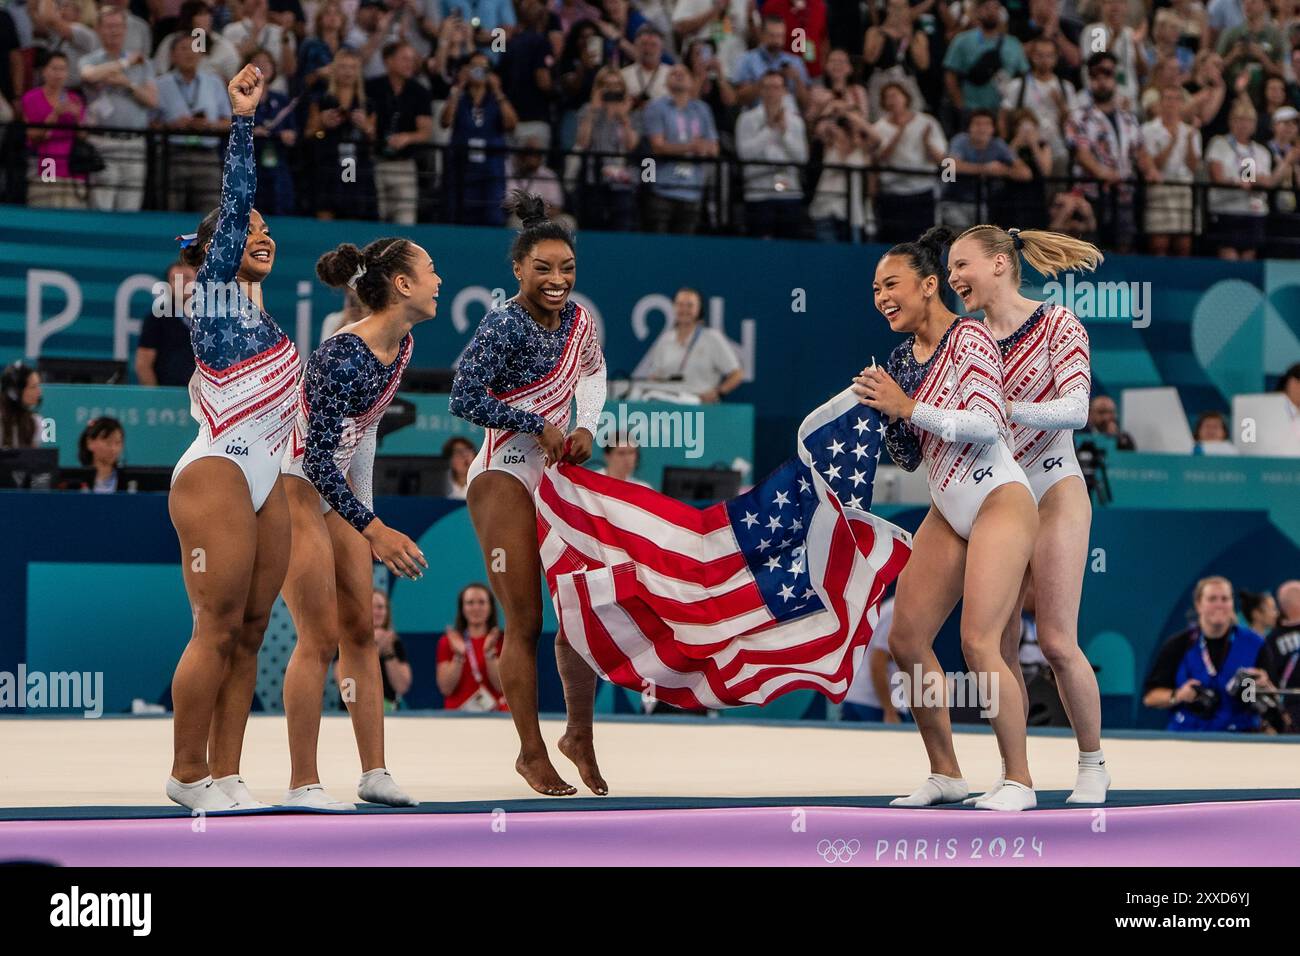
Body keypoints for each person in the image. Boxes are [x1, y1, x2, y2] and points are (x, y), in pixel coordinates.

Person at [853, 227, 1040, 811]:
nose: (881, 296)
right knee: (907, 639)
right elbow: (911, 454)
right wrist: (886, 416)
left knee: (979, 643)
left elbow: (988, 422)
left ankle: (1019, 781)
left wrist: (908, 407)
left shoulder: (972, 339)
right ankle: (947, 772)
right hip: (948, 504)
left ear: (929, 285)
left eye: (892, 284)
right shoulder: (900, 361)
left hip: (998, 499)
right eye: (876, 288)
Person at [166, 63, 302, 813]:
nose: (262, 233)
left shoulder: (275, 330)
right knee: (215, 626)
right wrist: (245, 120)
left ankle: (226, 772)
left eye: (266, 228)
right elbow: (237, 199)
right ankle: (184, 775)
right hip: (215, 471)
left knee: (251, 631)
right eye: (249, 228)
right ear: (220, 248)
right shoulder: (214, 297)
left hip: (267, 479)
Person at [448, 190, 608, 797]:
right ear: (517, 271)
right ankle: (531, 751)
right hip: (504, 472)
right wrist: (532, 421)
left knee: (581, 611)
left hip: (557, 474)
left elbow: (592, 370)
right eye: (543, 269)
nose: (557, 280)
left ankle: (580, 734)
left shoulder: (580, 322)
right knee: (527, 618)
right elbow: (462, 396)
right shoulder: (504, 324)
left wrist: (588, 422)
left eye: (567, 269)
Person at [949, 223, 1110, 805]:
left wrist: (1001, 408)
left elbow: (1075, 408)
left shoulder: (1058, 323)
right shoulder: (965, 338)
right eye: (947, 272)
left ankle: (1092, 763)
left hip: (1054, 487)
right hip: (1002, 497)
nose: (954, 279)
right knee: (999, 642)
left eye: (961, 266)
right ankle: (1014, 776)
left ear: (998, 263)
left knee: (1059, 642)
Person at [278, 237, 435, 809]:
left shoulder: (404, 344)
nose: (438, 280)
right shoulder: (341, 358)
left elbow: (363, 434)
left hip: (338, 491)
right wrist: (373, 528)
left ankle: (374, 773)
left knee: (360, 632)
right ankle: (302, 783)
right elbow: (315, 460)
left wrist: (368, 519)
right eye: (430, 270)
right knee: (318, 636)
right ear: (401, 285)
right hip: (293, 488)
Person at [1142, 576, 1275, 732]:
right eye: (1212, 599)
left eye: (1225, 599)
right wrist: (1178, 695)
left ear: (1232, 604)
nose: (1219, 605)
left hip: (1240, 737)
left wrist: (1263, 686)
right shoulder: (1178, 644)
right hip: (1188, 737)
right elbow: (1150, 697)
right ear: (1198, 604)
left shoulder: (1255, 643)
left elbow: (1274, 694)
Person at [77, 6, 158, 211]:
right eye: (109, 26)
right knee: (101, 204)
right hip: (102, 141)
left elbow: (152, 100)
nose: (114, 31)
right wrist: (124, 63)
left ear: (125, 29)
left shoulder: (142, 63)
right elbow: (89, 76)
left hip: (135, 143)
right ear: (98, 29)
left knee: (130, 206)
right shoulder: (91, 60)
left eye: (118, 26)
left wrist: (127, 84)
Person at [640, 63, 719, 234]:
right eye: (673, 73)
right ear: (666, 82)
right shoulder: (655, 107)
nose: (678, 75)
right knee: (659, 244)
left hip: (693, 189)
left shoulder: (702, 109)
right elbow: (657, 146)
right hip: (662, 187)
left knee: (684, 248)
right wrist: (692, 146)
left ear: (692, 81)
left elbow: (714, 148)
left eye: (683, 72)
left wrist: (695, 147)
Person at [156, 38, 232, 212]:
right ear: (172, 56)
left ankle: (208, 241)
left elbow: (228, 122)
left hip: (207, 156)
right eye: (183, 48)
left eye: (193, 49)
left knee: (211, 212)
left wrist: (210, 125)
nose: (189, 53)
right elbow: (150, 123)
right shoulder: (160, 84)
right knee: (170, 208)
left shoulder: (214, 82)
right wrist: (171, 126)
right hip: (173, 154)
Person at [441, 51, 516, 225]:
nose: (479, 72)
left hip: (490, 169)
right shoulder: (460, 98)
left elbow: (511, 124)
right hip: (462, 168)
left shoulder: (495, 99)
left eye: (484, 68)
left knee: (492, 216)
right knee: (458, 215)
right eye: (474, 67)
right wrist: (459, 86)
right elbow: (445, 121)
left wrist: (497, 90)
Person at [305, 47, 379, 220]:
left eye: (352, 67)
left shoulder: (367, 103)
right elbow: (309, 133)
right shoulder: (323, 100)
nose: (348, 72)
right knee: (326, 207)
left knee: (355, 210)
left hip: (355, 165)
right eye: (343, 67)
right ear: (335, 70)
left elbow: (374, 137)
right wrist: (323, 124)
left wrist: (365, 126)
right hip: (328, 162)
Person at [735, 69, 808, 238]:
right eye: (767, 87)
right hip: (758, 194)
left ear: (784, 91)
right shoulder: (747, 119)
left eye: (776, 87)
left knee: (789, 248)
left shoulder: (795, 122)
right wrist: (769, 129)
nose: (771, 93)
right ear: (760, 90)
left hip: (790, 193)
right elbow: (745, 154)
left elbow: (802, 157)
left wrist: (784, 134)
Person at [871, 81, 946, 243]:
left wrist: (926, 143)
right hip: (893, 192)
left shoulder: (927, 122)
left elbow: (944, 159)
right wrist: (900, 131)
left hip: (922, 190)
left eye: (896, 95)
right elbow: (878, 158)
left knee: (924, 241)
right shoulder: (879, 127)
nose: (893, 100)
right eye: (888, 97)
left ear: (905, 97)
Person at [368, 41, 433, 225]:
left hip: (404, 164)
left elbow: (425, 132)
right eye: (404, 59)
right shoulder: (371, 87)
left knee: (405, 220)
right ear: (388, 61)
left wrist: (407, 137)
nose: (409, 64)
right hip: (376, 161)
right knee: (376, 216)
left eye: (412, 60)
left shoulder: (420, 92)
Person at [1205, 99, 1275, 259]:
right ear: (1231, 121)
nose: (1243, 124)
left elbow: (1266, 180)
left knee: (1248, 258)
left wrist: (1252, 181)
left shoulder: (1261, 151)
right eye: (1239, 119)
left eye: (1248, 120)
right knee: (1229, 256)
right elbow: (1217, 176)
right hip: (1226, 211)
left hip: (1253, 212)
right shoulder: (1219, 144)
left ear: (1254, 124)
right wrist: (1238, 183)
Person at [572, 65, 639, 232]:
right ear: (598, 88)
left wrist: (623, 118)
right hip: (593, 178)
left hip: (622, 181)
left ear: (623, 88)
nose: (611, 89)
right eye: (606, 85)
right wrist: (594, 111)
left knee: (621, 225)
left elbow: (632, 145)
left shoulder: (631, 114)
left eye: (616, 85)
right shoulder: (587, 110)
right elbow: (582, 142)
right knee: (593, 224)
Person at [939, 109, 1029, 229]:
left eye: (986, 124)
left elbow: (1026, 173)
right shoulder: (959, 140)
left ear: (993, 129)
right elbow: (948, 167)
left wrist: (1003, 170)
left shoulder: (998, 144)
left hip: (984, 204)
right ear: (969, 127)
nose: (982, 128)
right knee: (960, 235)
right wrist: (985, 169)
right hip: (954, 201)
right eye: (977, 124)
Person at [944, 0, 1029, 121]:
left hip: (1004, 112)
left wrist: (1016, 107)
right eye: (987, 8)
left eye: (996, 8)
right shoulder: (962, 40)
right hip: (972, 109)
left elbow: (1024, 76)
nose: (991, 12)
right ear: (978, 11)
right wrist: (961, 106)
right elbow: (950, 74)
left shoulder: (1013, 43)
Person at [21, 50, 86, 209]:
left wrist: (77, 118)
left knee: (71, 210)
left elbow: (83, 136)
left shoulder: (75, 99)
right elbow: (32, 136)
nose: (58, 74)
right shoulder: (31, 98)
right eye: (54, 69)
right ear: (44, 71)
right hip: (47, 160)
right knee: (46, 205)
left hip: (71, 164)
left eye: (62, 69)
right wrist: (55, 114)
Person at [1141, 85, 1201, 256]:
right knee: (1159, 243)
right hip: (1160, 187)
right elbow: (1153, 165)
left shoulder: (1191, 131)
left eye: (1176, 99)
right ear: (1160, 102)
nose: (1172, 103)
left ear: (1181, 103)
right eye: (1168, 98)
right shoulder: (1148, 130)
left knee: (1183, 244)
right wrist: (1172, 141)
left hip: (1183, 188)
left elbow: (1193, 167)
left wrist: (1189, 140)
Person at [436, 583, 507, 710]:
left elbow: (502, 687)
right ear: (462, 608)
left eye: (481, 602)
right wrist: (458, 656)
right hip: (457, 717)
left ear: (490, 607)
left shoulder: (504, 641)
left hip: (496, 717)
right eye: (470, 603)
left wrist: (490, 653)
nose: (476, 608)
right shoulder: (448, 641)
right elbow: (445, 688)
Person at [840, 595, 908, 722]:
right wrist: (889, 710)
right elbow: (877, 664)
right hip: (873, 705)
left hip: (866, 701)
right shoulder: (897, 612)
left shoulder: (897, 609)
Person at [136, 260, 198, 386]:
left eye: (187, 278)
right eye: (175, 279)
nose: (182, 283)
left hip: (208, 399)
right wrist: (156, 400)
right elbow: (143, 365)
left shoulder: (214, 318)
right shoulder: (157, 319)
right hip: (169, 397)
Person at [1260, 579, 1300, 732]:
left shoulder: (1270, 640)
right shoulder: (1267, 641)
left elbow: (1261, 680)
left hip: (1288, 710)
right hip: (1291, 710)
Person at [372, 589, 413, 709]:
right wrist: (375, 647)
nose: (375, 612)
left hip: (389, 713)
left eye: (380, 607)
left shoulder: (394, 643)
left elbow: (402, 686)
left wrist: (388, 652)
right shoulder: (348, 643)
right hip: (353, 712)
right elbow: (346, 683)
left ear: (387, 611)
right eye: (370, 607)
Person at [0, 362, 43, 449]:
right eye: (33, 387)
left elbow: (31, 460)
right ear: (14, 392)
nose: (39, 392)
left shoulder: (35, 422)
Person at [77, 415, 124, 493]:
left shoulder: (127, 481)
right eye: (108, 442)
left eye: (118, 442)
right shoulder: (76, 481)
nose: (113, 448)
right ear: (89, 442)